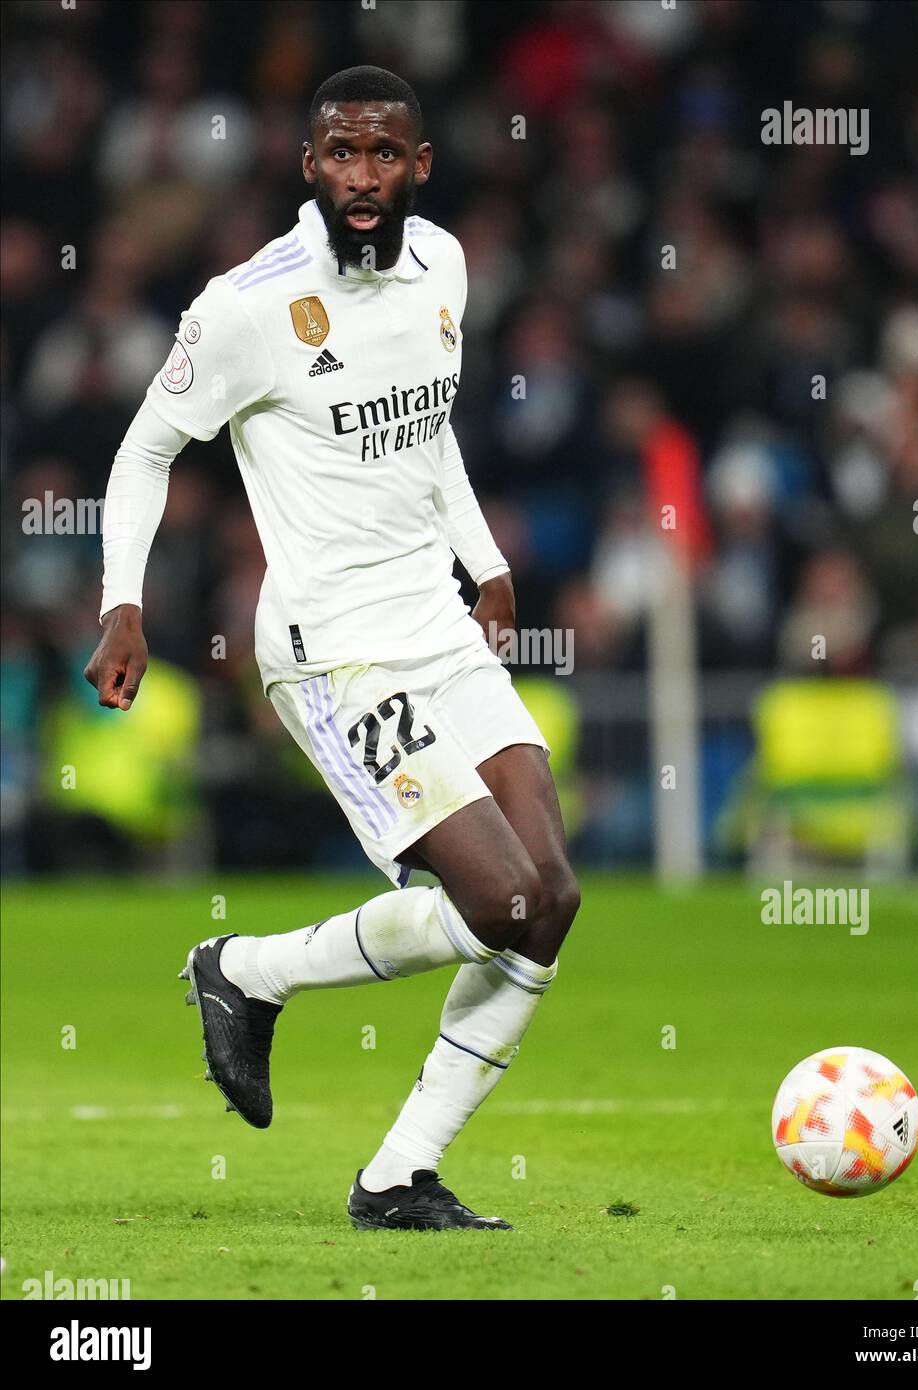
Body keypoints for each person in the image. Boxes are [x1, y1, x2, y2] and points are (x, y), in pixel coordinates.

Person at [84, 66, 580, 1232]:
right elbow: (143, 450)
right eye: (341, 153)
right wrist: (122, 601)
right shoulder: (247, 305)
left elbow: (429, 422)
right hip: (333, 651)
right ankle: (245, 970)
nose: (363, 176)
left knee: (549, 899)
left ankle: (398, 1174)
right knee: (498, 899)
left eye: (384, 154)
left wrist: (485, 556)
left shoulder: (445, 266)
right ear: (309, 166)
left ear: (419, 167)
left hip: (435, 622)